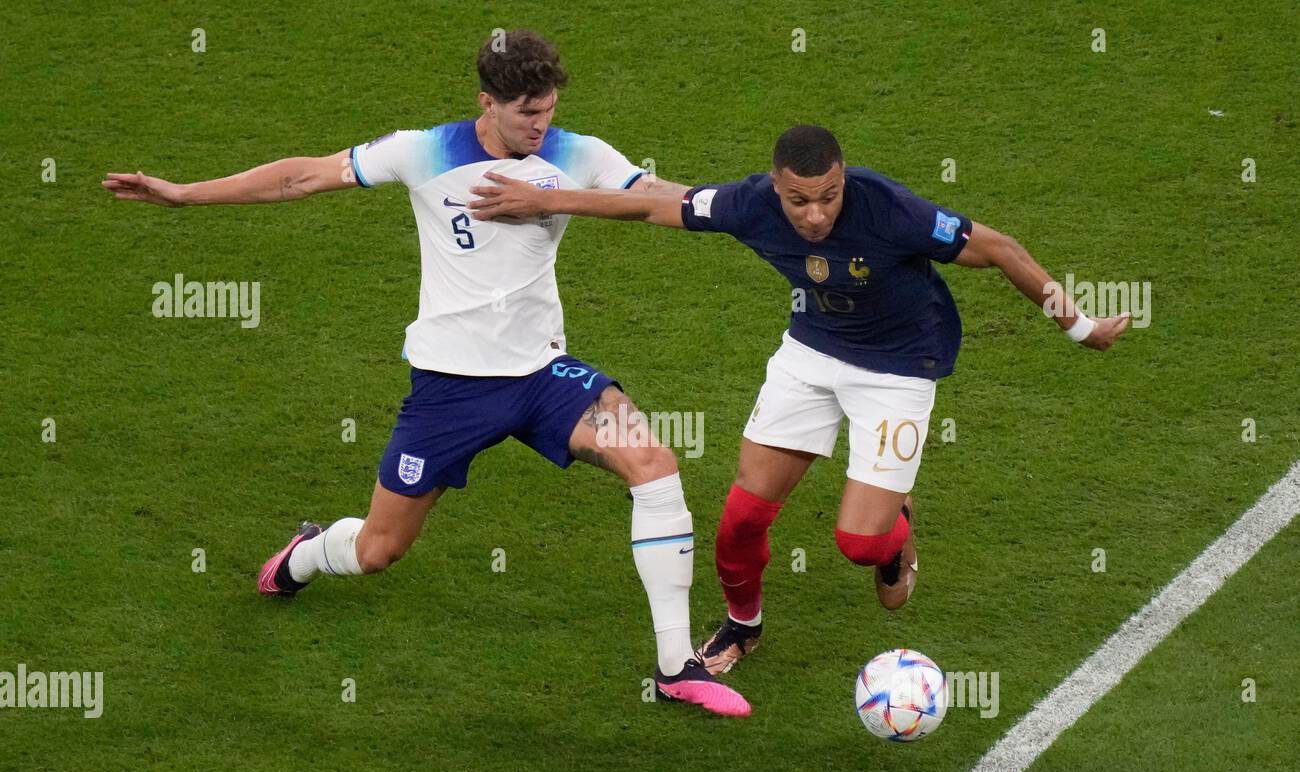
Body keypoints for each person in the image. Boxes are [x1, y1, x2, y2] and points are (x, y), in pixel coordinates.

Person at [101, 30, 751, 717]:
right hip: (450, 390)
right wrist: (185, 194)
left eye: (549, 109)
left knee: (652, 463)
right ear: (487, 103)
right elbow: (305, 175)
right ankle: (307, 555)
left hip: (543, 375)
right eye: (527, 113)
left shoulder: (575, 156)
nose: (541, 124)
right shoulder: (426, 151)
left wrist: (745, 207)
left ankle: (676, 666)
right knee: (379, 550)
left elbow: (655, 197)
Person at [468, 124, 1129, 680]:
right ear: (776, 187)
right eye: (799, 201)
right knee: (740, 521)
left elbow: (1000, 248)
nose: (816, 214)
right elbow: (649, 207)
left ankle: (893, 528)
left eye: (829, 197)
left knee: (858, 544)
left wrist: (1080, 326)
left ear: (844, 181)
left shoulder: (890, 210)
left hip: (899, 368)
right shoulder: (748, 205)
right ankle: (742, 628)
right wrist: (540, 200)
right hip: (811, 354)